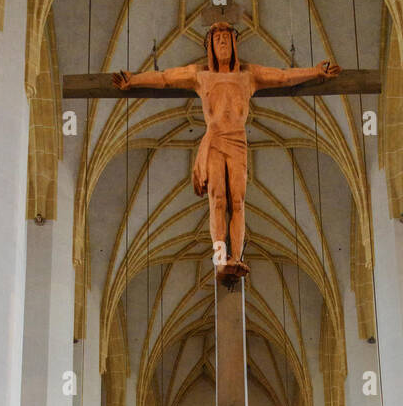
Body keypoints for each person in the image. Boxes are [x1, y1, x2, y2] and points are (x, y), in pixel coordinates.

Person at [114, 22, 340, 279]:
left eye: (226, 38)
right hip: (214, 139)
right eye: (217, 38)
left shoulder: (249, 75)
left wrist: (315, 72)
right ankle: (221, 258)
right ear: (210, 46)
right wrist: (133, 80)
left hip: (237, 141)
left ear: (234, 44)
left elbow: (283, 76)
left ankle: (237, 257)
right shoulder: (200, 75)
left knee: (238, 201)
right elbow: (165, 78)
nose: (222, 42)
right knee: (218, 199)